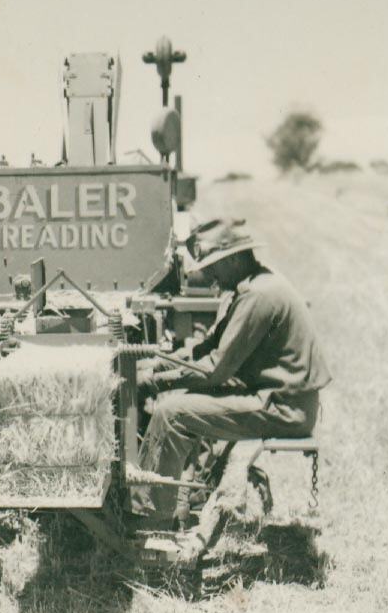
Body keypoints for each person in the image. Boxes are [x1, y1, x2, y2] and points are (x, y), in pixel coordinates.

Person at [132, 217, 332, 535]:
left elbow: (214, 369)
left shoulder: (258, 296)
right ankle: (181, 501)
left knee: (171, 414)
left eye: (213, 265)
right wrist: (157, 364)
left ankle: (147, 524)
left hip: (283, 408)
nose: (208, 274)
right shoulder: (251, 286)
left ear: (235, 259)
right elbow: (208, 347)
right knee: (178, 401)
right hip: (276, 398)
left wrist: (154, 381)